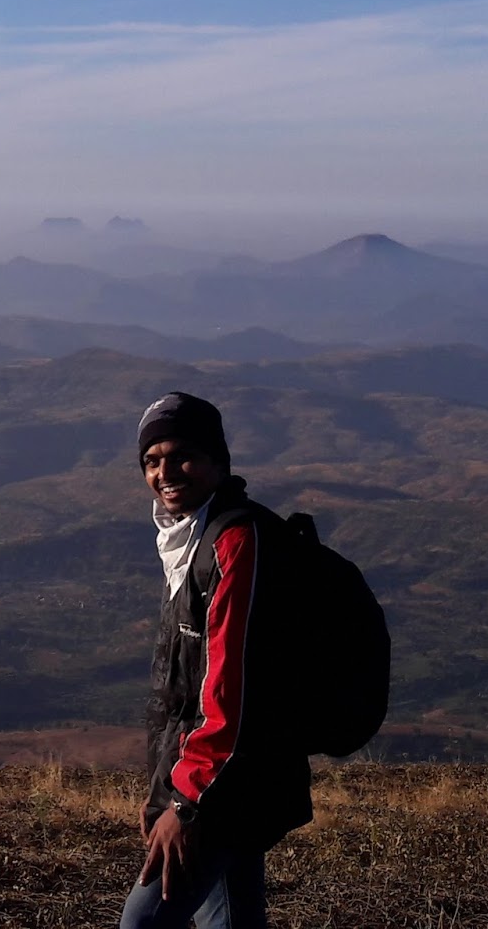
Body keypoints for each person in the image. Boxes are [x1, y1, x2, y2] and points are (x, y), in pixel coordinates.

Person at [118, 391, 313, 929]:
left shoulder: (235, 541)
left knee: (144, 922)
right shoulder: (190, 540)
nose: (165, 472)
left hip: (226, 784)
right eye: (151, 461)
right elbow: (183, 688)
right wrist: (164, 783)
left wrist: (185, 803)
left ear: (218, 461)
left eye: (182, 456)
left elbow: (230, 682)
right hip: (219, 779)